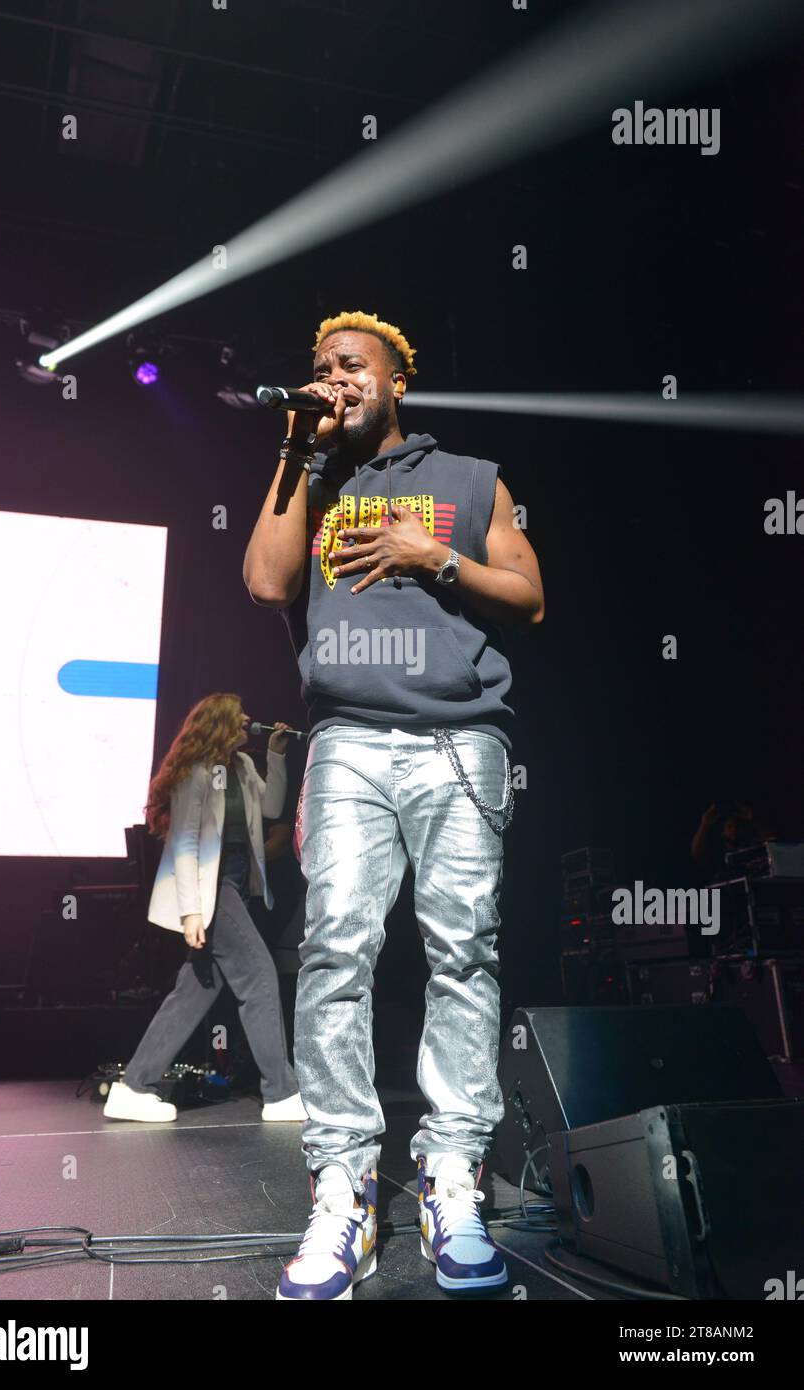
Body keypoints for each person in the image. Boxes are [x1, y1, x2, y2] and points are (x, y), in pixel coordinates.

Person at [243, 310, 544, 1299]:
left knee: (462, 947)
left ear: (394, 380)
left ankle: (451, 1173)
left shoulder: (469, 477)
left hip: (462, 738)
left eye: (351, 364)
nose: (332, 375)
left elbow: (530, 595)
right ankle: (345, 1187)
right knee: (335, 947)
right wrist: (296, 446)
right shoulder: (314, 477)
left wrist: (436, 560)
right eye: (320, 363)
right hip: (349, 742)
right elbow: (265, 580)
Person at [104, 693, 306, 1124]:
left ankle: (134, 1085)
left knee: (193, 993)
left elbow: (270, 808)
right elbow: (186, 843)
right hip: (209, 888)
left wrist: (275, 755)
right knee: (259, 975)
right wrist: (191, 912)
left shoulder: (242, 768)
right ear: (218, 724)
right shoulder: (196, 773)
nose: (249, 721)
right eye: (240, 716)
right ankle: (280, 1092)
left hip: (233, 882)